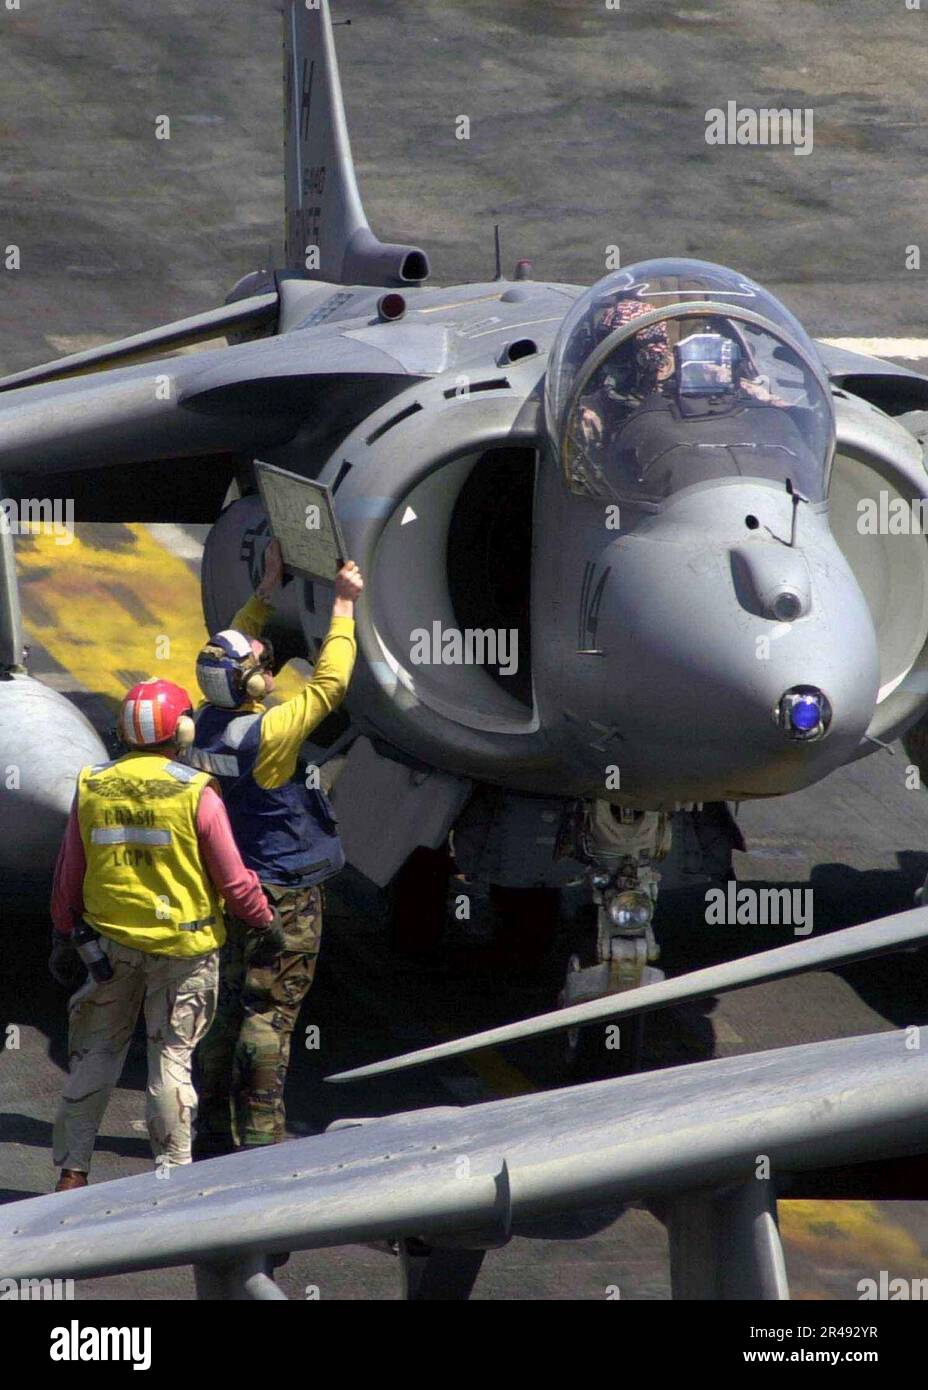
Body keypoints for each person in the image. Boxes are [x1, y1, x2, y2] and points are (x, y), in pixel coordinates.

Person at [49, 678, 278, 1192]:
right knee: (171, 1062)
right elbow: (234, 880)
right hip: (184, 953)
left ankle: (71, 1173)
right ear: (183, 730)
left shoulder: (92, 783)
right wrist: (264, 921)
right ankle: (172, 1181)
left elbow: (69, 874)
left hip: (107, 950)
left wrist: (64, 933)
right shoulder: (196, 791)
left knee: (95, 1057)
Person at [187, 544, 363, 1156]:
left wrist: (264, 592)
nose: (265, 654)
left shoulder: (201, 723)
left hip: (229, 886)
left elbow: (230, 647)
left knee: (224, 1008)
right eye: (260, 659)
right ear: (250, 680)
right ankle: (261, 1142)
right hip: (283, 890)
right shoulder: (270, 733)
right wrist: (344, 606)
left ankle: (206, 1130)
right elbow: (332, 682)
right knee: (271, 1015)